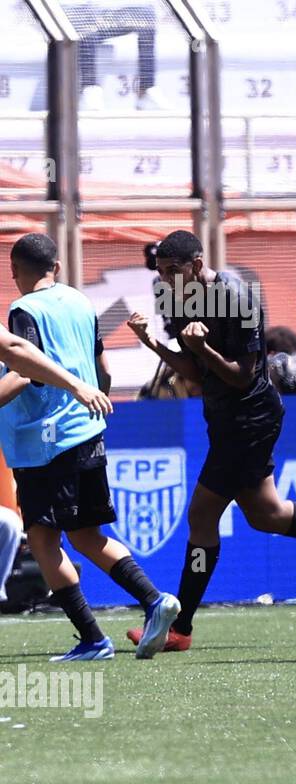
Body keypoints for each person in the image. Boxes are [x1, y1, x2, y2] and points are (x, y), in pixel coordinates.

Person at [124, 230, 296, 652]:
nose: (167, 280)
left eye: (173, 271)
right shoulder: (180, 298)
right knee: (267, 514)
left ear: (196, 265)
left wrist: (204, 348)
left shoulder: (237, 299)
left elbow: (244, 374)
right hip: (225, 418)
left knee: (201, 514)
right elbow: (193, 371)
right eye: (161, 273)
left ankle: (181, 628)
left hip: (251, 419)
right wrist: (150, 342)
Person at [2, 233, 177, 661]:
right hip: (87, 430)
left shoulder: (23, 309)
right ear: (56, 268)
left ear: (14, 272)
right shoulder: (80, 302)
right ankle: (155, 601)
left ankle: (94, 638)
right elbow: (103, 370)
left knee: (43, 540)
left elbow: (26, 369)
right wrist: (91, 400)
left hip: (46, 440)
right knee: (86, 536)